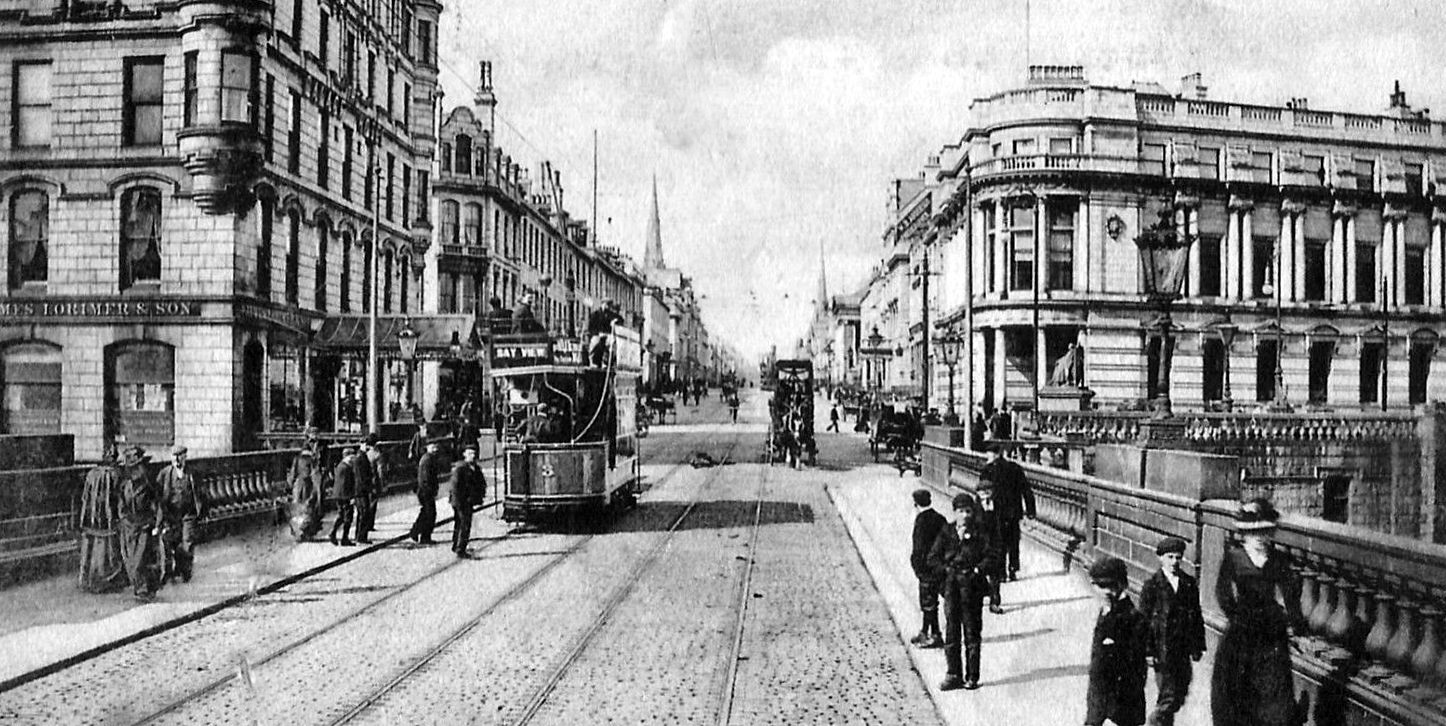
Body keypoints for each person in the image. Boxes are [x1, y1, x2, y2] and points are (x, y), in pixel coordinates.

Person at [1210, 499, 1304, 726]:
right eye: (1255, 533)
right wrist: (1237, 616)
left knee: (1272, 687)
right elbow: (1222, 592)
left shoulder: (1278, 560)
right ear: (1245, 534)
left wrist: (1298, 626)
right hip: (1242, 631)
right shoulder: (1234, 557)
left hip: (1271, 631)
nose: (1260, 538)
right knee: (1238, 686)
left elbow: (1290, 595)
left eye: (1265, 532)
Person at [928, 492, 1000, 691]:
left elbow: (992, 556)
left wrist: (978, 570)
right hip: (952, 587)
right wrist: (946, 571)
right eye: (961, 511)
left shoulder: (980, 533)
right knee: (952, 632)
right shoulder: (947, 532)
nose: (965, 515)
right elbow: (933, 557)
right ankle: (953, 674)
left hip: (972, 588)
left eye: (968, 511)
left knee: (972, 633)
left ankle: (972, 676)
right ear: (954, 512)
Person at [1139, 536, 1206, 726]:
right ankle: (1155, 722)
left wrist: (1198, 645)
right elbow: (1143, 622)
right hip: (1162, 649)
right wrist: (1147, 651)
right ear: (1160, 558)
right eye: (1170, 557)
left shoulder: (1188, 583)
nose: (1174, 562)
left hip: (1182, 650)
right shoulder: (1152, 585)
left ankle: (1161, 722)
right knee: (1168, 695)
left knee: (1181, 692)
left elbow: (1196, 615)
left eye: (1178, 557)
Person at [1085, 556, 1148, 726]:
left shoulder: (1134, 619)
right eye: (1101, 586)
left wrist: (1111, 715)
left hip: (1120, 709)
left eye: (1112, 586)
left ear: (1123, 585)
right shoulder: (1105, 611)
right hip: (1099, 703)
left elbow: (1134, 671)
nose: (1106, 591)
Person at [981, 443, 1036, 581]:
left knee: (999, 540)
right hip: (1013, 512)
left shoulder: (987, 470)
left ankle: (1001, 572)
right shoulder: (1015, 468)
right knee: (1013, 541)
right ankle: (1013, 568)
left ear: (992, 454)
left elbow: (983, 492)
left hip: (997, 511)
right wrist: (1030, 511)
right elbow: (1026, 490)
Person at [78, 446, 127, 593]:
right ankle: (104, 580)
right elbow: (119, 498)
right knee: (107, 548)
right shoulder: (115, 474)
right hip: (107, 518)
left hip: (91, 517)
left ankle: (86, 580)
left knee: (89, 547)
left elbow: (85, 497)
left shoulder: (91, 474)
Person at [117, 446, 160, 601]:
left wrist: (156, 524)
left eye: (139, 466)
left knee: (140, 560)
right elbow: (121, 508)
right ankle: (140, 588)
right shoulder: (125, 486)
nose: (138, 470)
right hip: (129, 528)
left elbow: (157, 505)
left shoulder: (149, 485)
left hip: (145, 526)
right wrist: (125, 522)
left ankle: (144, 589)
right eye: (134, 468)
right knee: (131, 561)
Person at [156, 445, 203, 584]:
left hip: (188, 514)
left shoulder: (192, 473)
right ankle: (168, 572)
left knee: (187, 542)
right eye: (174, 457)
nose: (176, 460)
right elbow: (158, 498)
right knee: (171, 542)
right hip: (171, 515)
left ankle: (186, 571)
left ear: (185, 457)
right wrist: (159, 521)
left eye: (179, 456)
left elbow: (201, 494)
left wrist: (202, 512)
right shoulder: (164, 474)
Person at [909, 489, 948, 649]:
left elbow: (918, 547)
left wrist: (917, 567)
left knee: (928, 603)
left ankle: (935, 635)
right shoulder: (940, 518)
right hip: (939, 566)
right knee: (931, 602)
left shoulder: (921, 520)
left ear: (915, 504)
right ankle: (925, 631)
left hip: (926, 568)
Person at [974, 481, 1007, 615]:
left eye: (989, 491)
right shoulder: (973, 508)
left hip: (995, 545)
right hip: (980, 546)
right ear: (978, 493)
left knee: (995, 575)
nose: (986, 494)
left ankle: (995, 602)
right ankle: (979, 598)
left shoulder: (998, 505)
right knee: (979, 574)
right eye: (983, 492)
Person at [449, 444, 485, 557]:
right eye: (470, 453)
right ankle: (461, 549)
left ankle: (456, 545)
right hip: (461, 501)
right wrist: (458, 502)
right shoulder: (460, 468)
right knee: (464, 525)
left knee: (460, 524)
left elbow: (481, 483)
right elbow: (455, 487)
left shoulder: (476, 468)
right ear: (464, 454)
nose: (472, 456)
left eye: (474, 453)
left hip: (468, 501)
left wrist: (480, 497)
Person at [287, 440, 325, 541]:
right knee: (309, 508)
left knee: (298, 509)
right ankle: (307, 532)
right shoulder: (312, 460)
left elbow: (292, 474)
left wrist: (290, 485)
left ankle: (298, 531)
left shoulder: (297, 459)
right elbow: (315, 474)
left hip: (298, 486)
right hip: (308, 486)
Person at [410, 440, 443, 544]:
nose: (435, 449)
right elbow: (425, 478)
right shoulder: (427, 459)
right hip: (425, 490)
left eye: (436, 447)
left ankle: (418, 533)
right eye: (433, 447)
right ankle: (421, 535)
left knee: (426, 512)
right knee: (430, 514)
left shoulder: (430, 458)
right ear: (427, 447)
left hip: (425, 490)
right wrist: (430, 490)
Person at [352, 434, 381, 544]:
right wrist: (369, 487)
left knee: (363, 513)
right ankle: (361, 537)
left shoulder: (362, 456)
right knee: (364, 513)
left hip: (361, 489)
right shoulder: (360, 457)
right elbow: (361, 476)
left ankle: (360, 536)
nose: (367, 447)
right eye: (365, 445)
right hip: (361, 490)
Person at [328, 446, 359, 546]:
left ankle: (333, 533)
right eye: (352, 457)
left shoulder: (340, 466)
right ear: (348, 457)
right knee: (348, 517)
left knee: (341, 515)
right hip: (345, 496)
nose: (353, 459)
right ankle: (344, 538)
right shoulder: (346, 468)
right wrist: (352, 497)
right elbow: (347, 484)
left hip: (338, 495)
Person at [587, 299, 624, 367]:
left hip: (607, 334)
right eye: (607, 304)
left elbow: (621, 319)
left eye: (609, 305)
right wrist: (597, 333)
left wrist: (615, 321)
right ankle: (593, 361)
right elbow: (590, 328)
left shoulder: (611, 314)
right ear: (602, 304)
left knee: (612, 342)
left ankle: (606, 361)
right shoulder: (595, 314)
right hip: (597, 334)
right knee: (596, 341)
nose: (608, 307)